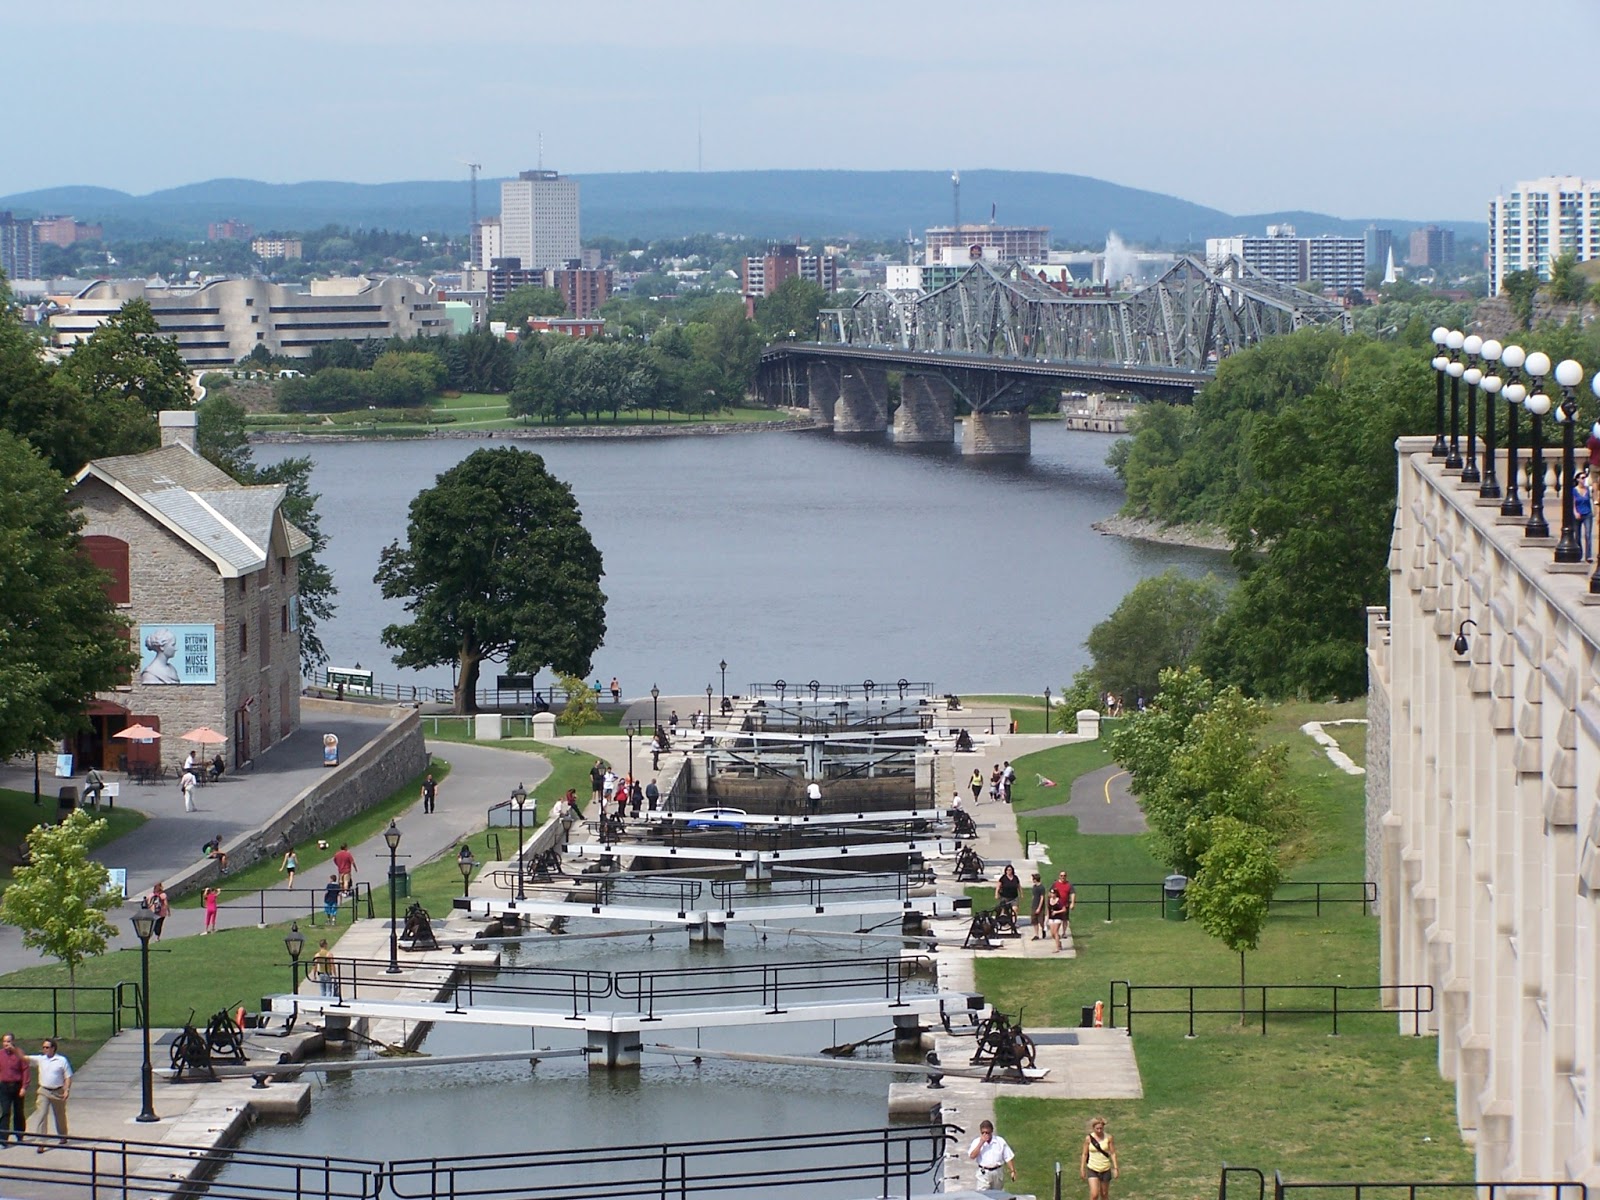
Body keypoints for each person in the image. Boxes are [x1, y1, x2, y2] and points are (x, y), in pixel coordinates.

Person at [27, 1038, 71, 1151]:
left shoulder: (62, 1060)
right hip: (44, 1091)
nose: (44, 1049)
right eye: (43, 1047)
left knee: (60, 1115)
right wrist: (14, 1050)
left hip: (58, 1091)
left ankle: (62, 1135)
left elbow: (68, 1077)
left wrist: (66, 1090)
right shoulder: (41, 1059)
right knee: (41, 1115)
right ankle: (41, 1142)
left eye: (47, 1047)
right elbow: (25, 1058)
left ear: (53, 1048)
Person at [968, 1119, 1017, 1191]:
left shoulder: (1000, 1141)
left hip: (997, 1172)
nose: (985, 1135)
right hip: (984, 1173)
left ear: (991, 1131)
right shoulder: (976, 1142)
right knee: (983, 1194)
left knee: (997, 1194)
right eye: (983, 1133)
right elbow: (972, 1156)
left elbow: (1008, 1157)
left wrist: (1012, 1171)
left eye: (987, 1133)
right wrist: (981, 1143)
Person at [0, 1032, 29, 1146]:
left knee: (19, 1111)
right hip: (4, 1087)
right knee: (6, 1112)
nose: (6, 1044)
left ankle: (19, 1135)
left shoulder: (19, 1053)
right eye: (4, 1041)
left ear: (13, 1042)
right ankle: (3, 1138)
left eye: (8, 1041)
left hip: (17, 1086)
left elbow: (25, 1070)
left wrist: (24, 1087)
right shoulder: (0, 1054)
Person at [1081, 1116, 1119, 1200]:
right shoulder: (1088, 1139)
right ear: (1093, 1128)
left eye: (1101, 1128)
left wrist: (1115, 1168)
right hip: (1093, 1168)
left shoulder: (1108, 1138)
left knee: (1104, 1194)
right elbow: (1085, 1154)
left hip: (1105, 1168)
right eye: (1097, 1128)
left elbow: (1112, 1153)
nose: (1099, 1130)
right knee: (1094, 1194)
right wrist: (1082, 1168)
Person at [1576, 471, 1594, 562]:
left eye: (1585, 478)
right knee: (1577, 535)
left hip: (1587, 514)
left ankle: (1588, 555)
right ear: (1578, 479)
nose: (1584, 480)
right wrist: (1575, 512)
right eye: (1582, 478)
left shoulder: (1588, 490)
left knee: (1588, 534)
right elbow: (1572, 503)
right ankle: (1578, 554)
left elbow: (1593, 500)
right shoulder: (1574, 490)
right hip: (1578, 514)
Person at [1029, 871, 1047, 939]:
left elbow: (1042, 898)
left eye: (1033, 878)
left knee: (1041, 921)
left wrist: (1039, 908)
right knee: (1034, 921)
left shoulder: (1041, 887)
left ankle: (1043, 930)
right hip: (1034, 906)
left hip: (1040, 907)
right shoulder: (1034, 887)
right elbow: (1033, 896)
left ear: (1035, 879)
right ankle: (1036, 934)